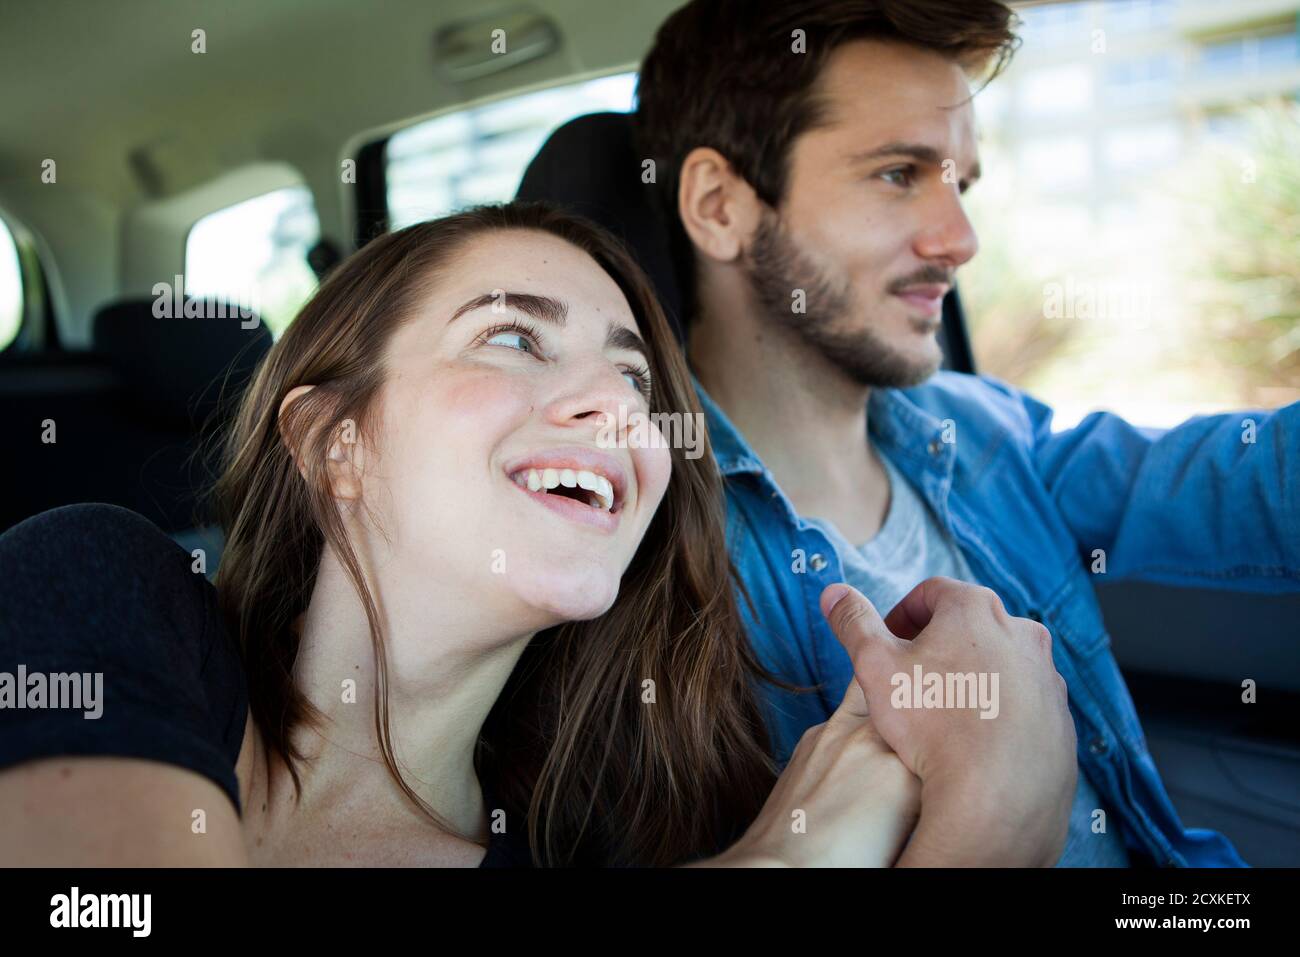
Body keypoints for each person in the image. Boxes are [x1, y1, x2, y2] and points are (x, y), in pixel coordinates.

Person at [0, 202, 1073, 866]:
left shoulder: (603, 841)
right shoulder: (98, 592)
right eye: (513, 336)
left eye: (635, 380)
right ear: (335, 443)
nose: (615, 410)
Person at [634, 0, 1299, 866]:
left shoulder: (980, 426)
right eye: (898, 173)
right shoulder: (641, 545)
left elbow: (1237, 481)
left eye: (961, 183)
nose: (960, 239)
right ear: (720, 206)